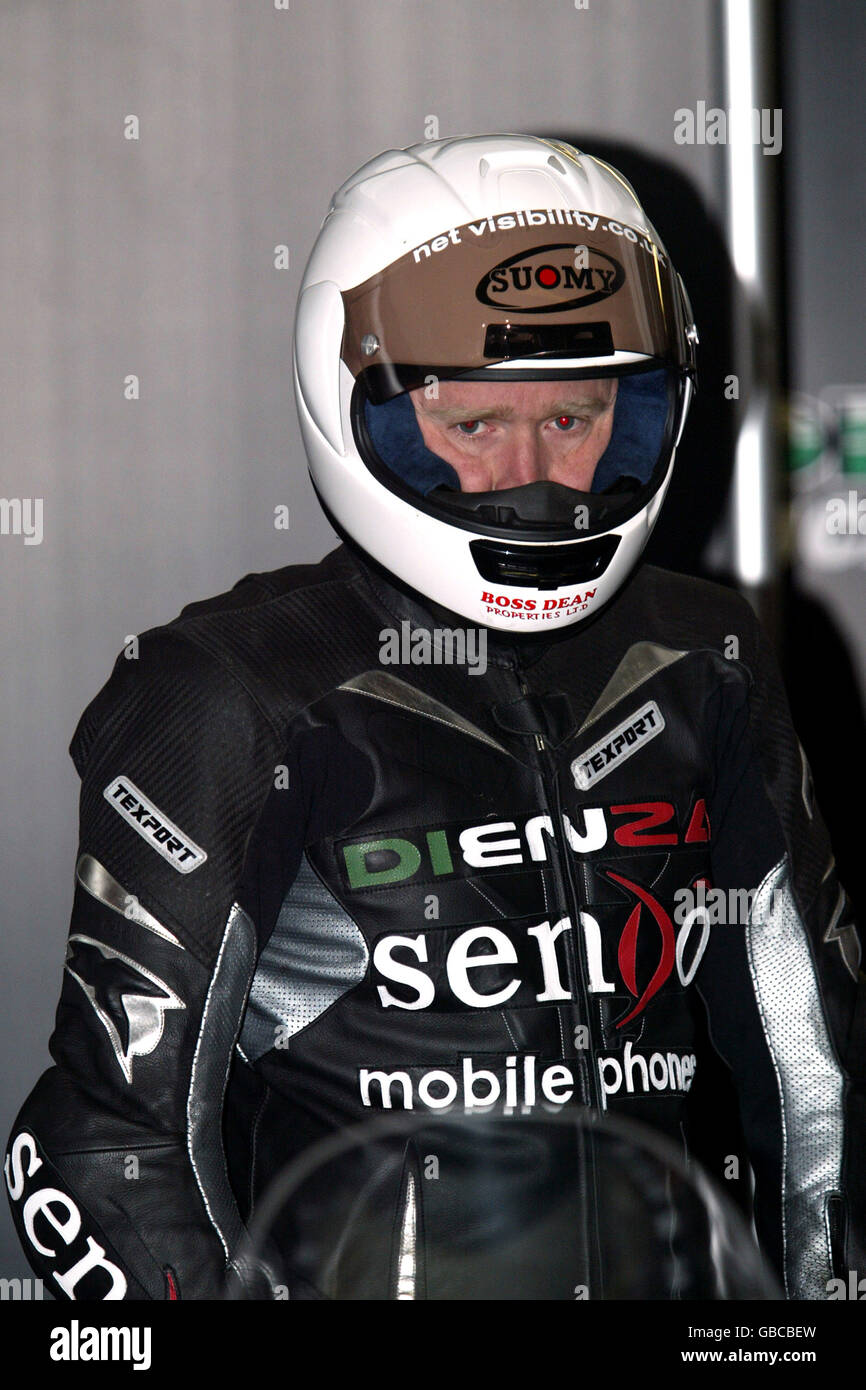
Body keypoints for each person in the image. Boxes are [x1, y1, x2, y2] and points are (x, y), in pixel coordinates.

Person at [5, 133, 863, 1301]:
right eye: (473, 425)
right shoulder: (230, 686)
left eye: (575, 419)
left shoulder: (701, 654)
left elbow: (819, 1078)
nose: (532, 474)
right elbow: (108, 1139)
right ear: (370, 409)